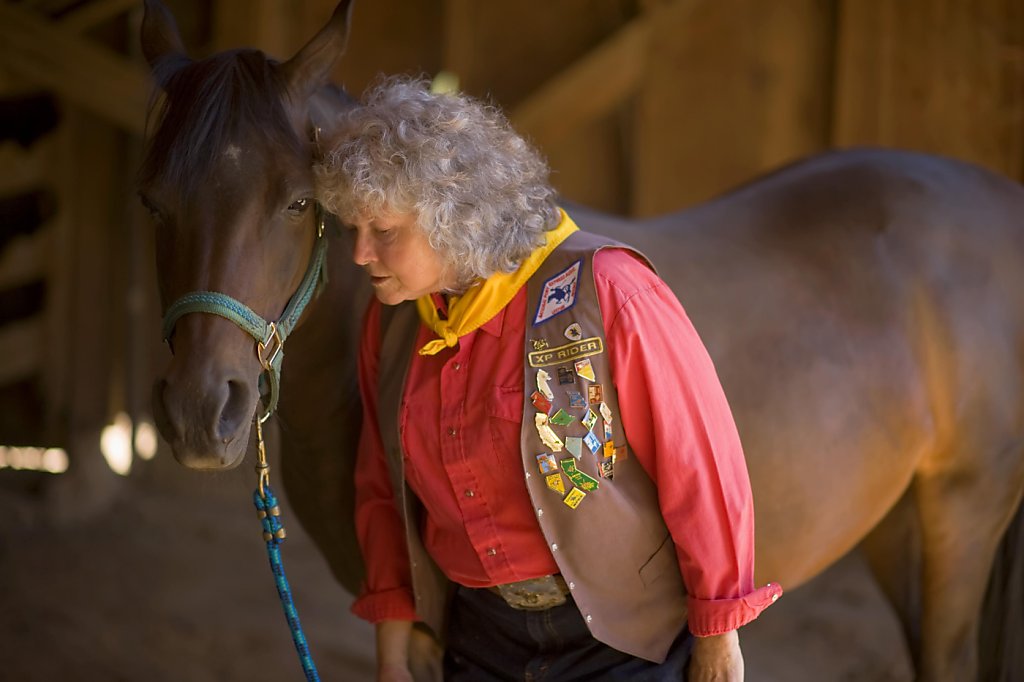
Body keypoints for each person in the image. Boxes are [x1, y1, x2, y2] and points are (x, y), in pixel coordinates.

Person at [314, 75, 782, 682]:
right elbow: (383, 488)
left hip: (622, 642)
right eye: (353, 230)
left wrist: (719, 637)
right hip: (481, 639)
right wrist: (392, 645)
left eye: (384, 232)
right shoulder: (396, 328)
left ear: (455, 217)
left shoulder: (609, 291)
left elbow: (698, 464)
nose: (359, 254)